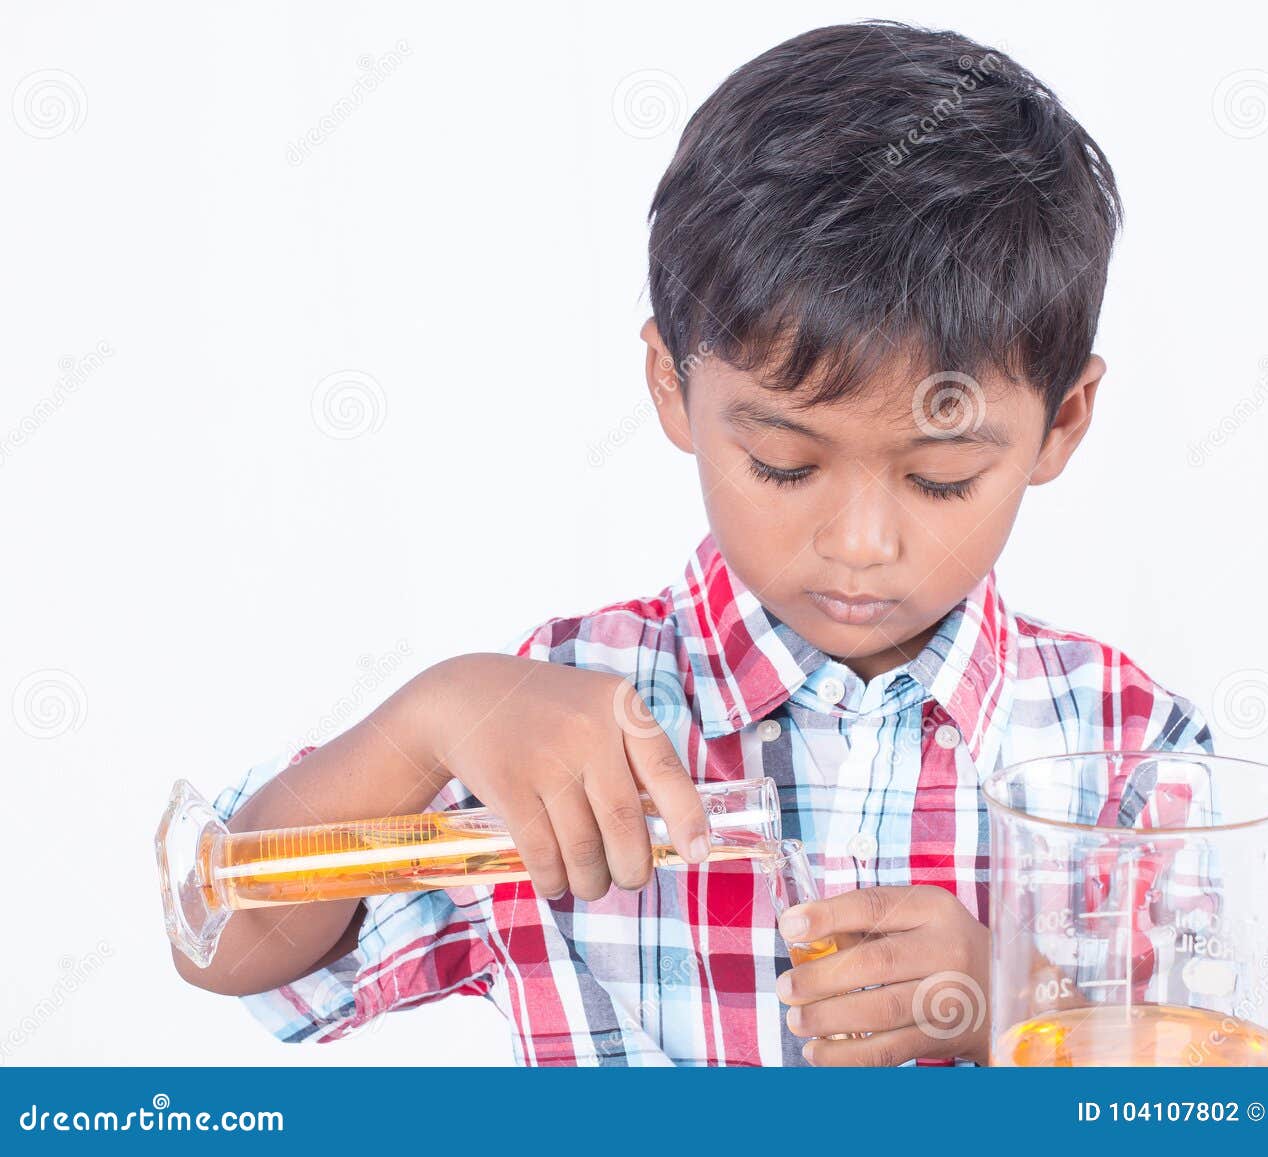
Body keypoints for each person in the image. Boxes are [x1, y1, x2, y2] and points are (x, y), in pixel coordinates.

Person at [172, 19, 1210, 1066]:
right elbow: (234, 937)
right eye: (785, 465)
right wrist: (435, 714)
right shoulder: (552, 726)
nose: (857, 542)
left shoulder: (1127, 753)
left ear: (1062, 423)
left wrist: (1024, 1005)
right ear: (672, 385)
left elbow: (1247, 1080)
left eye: (939, 477)